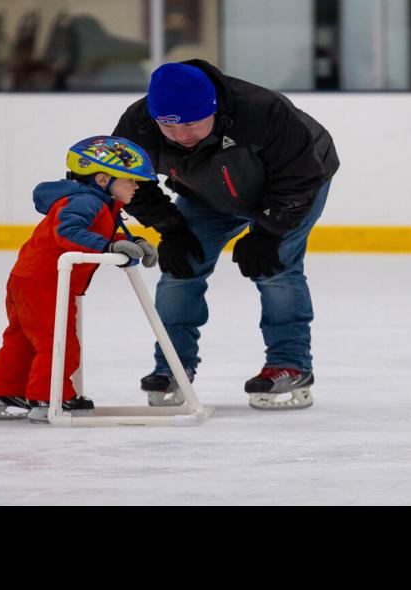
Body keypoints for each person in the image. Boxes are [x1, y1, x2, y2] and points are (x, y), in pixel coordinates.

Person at [112, 61, 339, 410]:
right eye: (168, 126)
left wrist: (268, 231)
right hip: (208, 193)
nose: (180, 135)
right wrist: (169, 227)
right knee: (179, 271)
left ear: (213, 108)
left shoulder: (262, 110)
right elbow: (129, 181)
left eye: (190, 123)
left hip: (292, 186)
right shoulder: (138, 123)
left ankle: (291, 364)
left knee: (276, 269)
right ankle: (173, 365)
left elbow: (300, 175)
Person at [0, 136, 159, 423]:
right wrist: (109, 248)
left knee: (24, 339)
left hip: (29, 278)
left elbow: (103, 233)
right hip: (45, 281)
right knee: (58, 341)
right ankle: (49, 397)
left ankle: (5, 393)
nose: (136, 186)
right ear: (103, 179)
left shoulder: (97, 202)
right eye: (130, 180)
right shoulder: (86, 201)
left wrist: (133, 241)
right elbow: (67, 232)